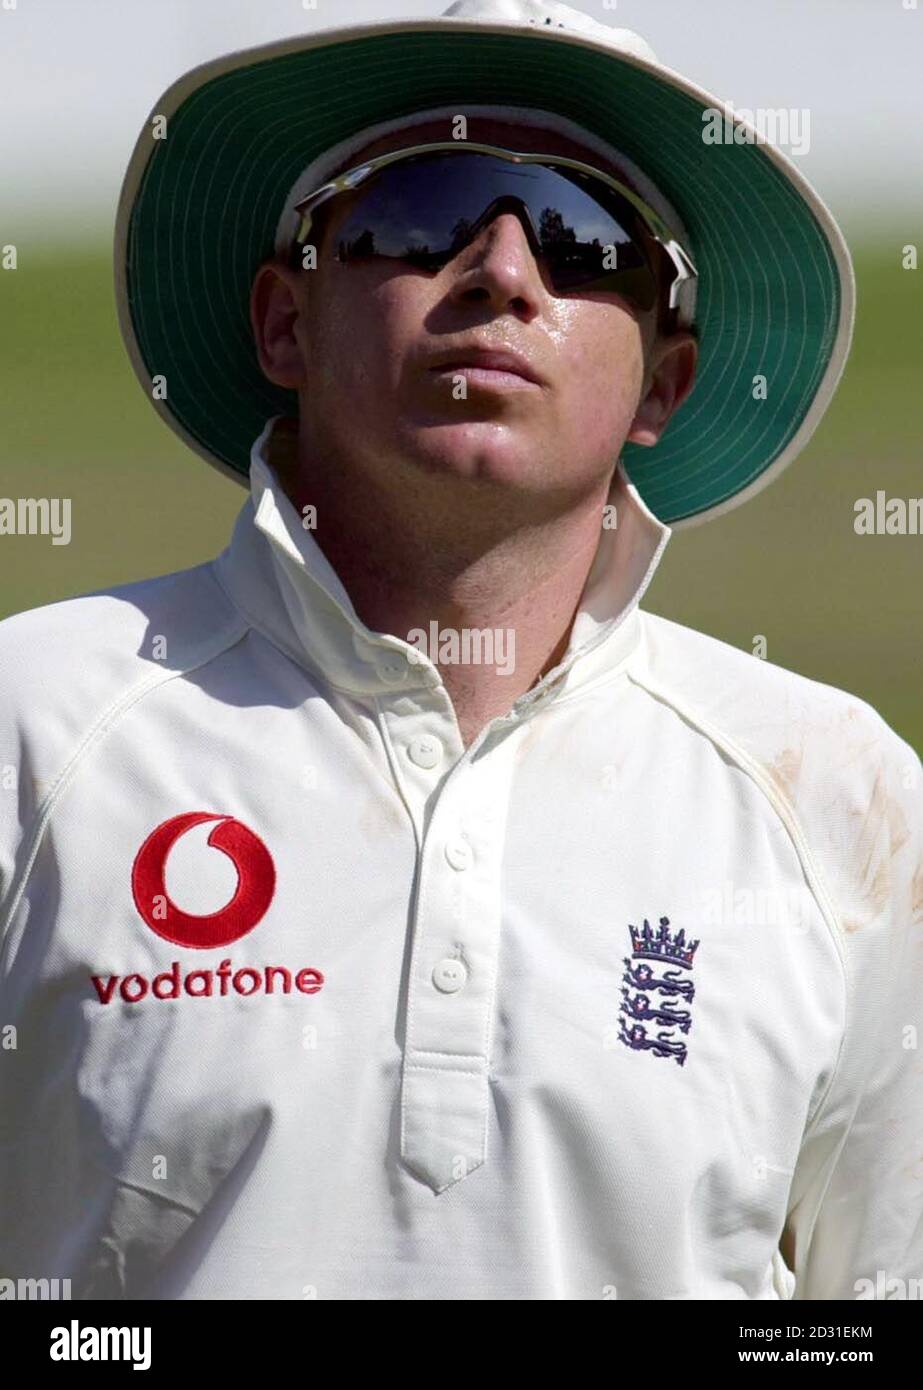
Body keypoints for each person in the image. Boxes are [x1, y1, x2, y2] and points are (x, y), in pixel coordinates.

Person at [0, 0, 919, 1301]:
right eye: (421, 212)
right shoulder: (32, 727)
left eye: (584, 238)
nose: (503, 270)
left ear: (666, 383)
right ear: (283, 324)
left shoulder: (839, 793)